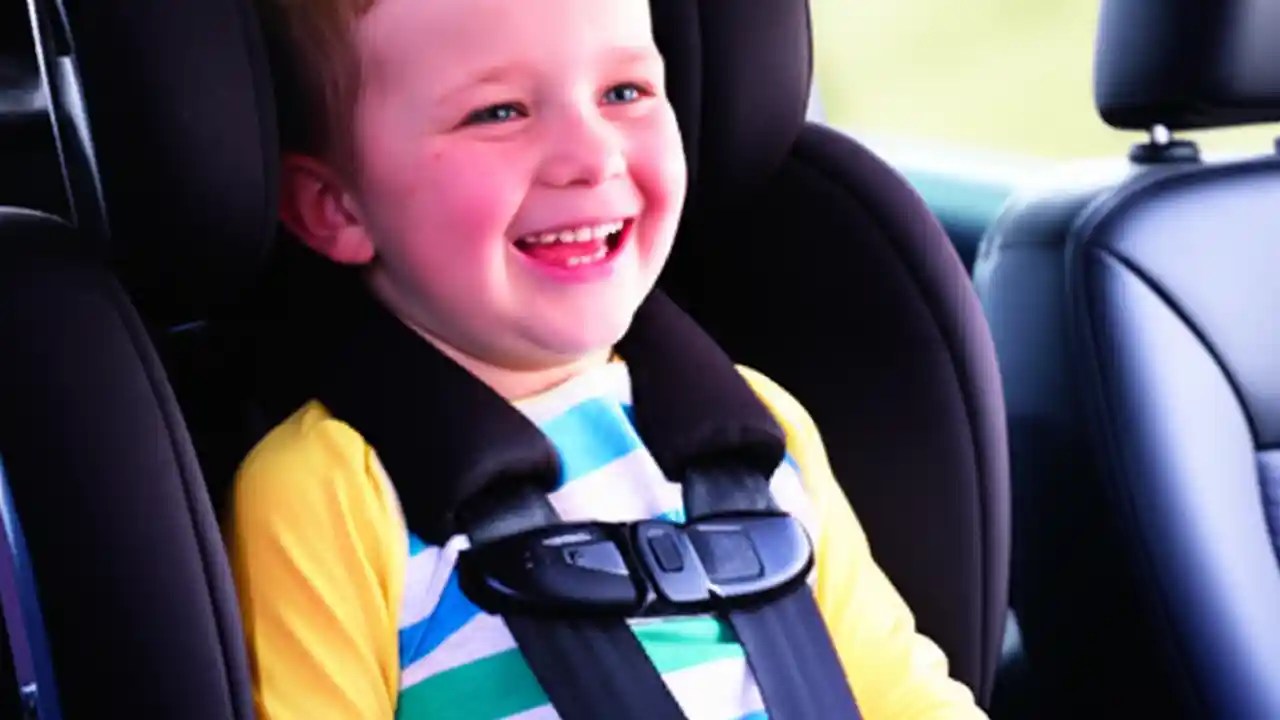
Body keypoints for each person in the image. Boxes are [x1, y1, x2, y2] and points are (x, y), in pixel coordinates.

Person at [225, 0, 988, 717]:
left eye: (624, 91)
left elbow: (902, 695)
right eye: (498, 113)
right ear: (336, 207)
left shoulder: (757, 434)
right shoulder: (329, 494)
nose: (591, 155)